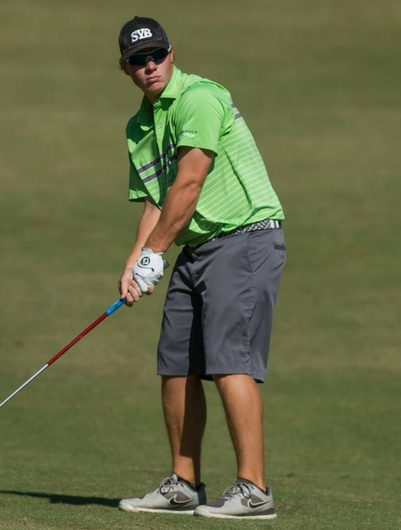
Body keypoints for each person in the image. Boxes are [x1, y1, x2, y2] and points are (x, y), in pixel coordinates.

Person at [113, 16, 286, 520]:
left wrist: (155, 254)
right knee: (176, 363)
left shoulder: (201, 98)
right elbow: (155, 199)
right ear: (124, 68)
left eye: (157, 55)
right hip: (196, 247)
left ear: (171, 53)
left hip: (245, 237)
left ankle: (254, 489)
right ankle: (183, 484)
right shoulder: (138, 128)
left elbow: (188, 184)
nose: (150, 66)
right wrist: (134, 261)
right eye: (138, 61)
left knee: (228, 360)